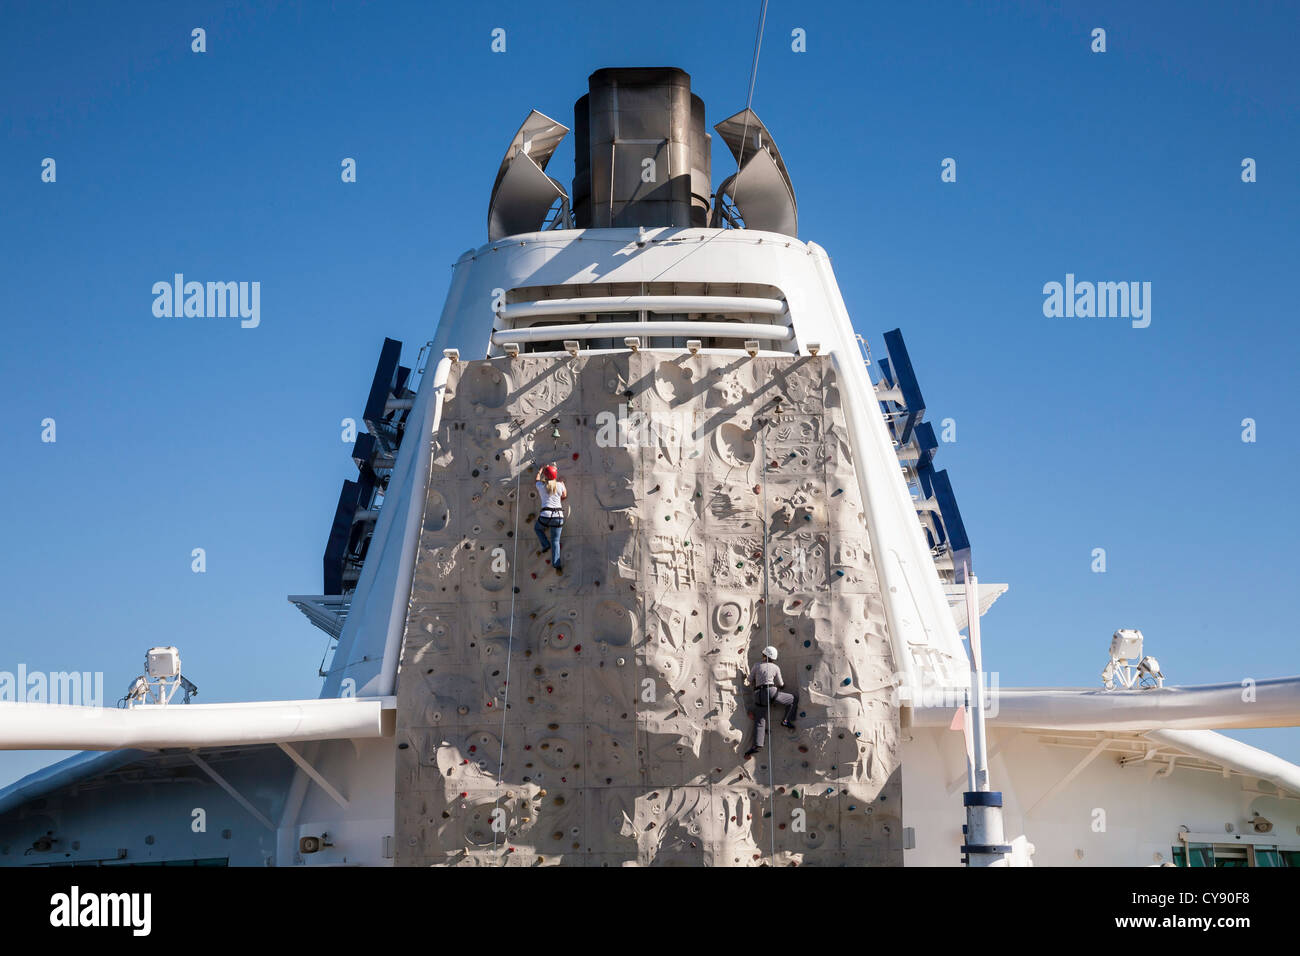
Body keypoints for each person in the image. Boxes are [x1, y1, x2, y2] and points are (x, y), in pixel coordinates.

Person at [744, 645, 798, 758]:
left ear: (764, 656)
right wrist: (782, 687)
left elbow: (749, 680)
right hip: (771, 693)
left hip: (758, 695)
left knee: (760, 720)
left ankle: (757, 745)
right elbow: (781, 684)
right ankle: (786, 720)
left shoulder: (756, 665)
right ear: (773, 658)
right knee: (792, 699)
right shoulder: (775, 667)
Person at [534, 463, 567, 570]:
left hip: (545, 516)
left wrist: (541, 469)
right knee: (556, 541)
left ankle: (545, 544)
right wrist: (562, 482)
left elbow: (537, 479)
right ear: (555, 475)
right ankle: (556, 564)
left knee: (538, 528)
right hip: (558, 516)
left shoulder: (541, 486)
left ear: (545, 475)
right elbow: (564, 496)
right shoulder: (560, 485)